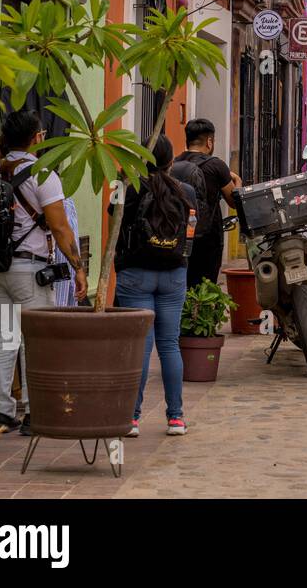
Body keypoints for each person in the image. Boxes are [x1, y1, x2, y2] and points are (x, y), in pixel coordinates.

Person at [0, 110, 87, 435]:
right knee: (36, 342)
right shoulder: (42, 174)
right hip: (30, 269)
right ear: (37, 138)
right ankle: (34, 412)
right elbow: (59, 227)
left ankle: (2, 411)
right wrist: (78, 268)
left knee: (6, 338)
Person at [115, 135, 197, 438]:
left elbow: (116, 222)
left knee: (141, 347)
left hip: (135, 273)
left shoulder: (130, 188)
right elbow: (191, 231)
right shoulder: (186, 191)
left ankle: (132, 418)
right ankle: (175, 418)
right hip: (174, 273)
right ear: (171, 161)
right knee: (169, 345)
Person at [172, 119, 241, 293]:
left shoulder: (174, 164)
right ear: (209, 142)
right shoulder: (216, 166)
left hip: (178, 237)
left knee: (182, 285)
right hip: (208, 239)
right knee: (204, 289)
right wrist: (237, 181)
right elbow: (234, 202)